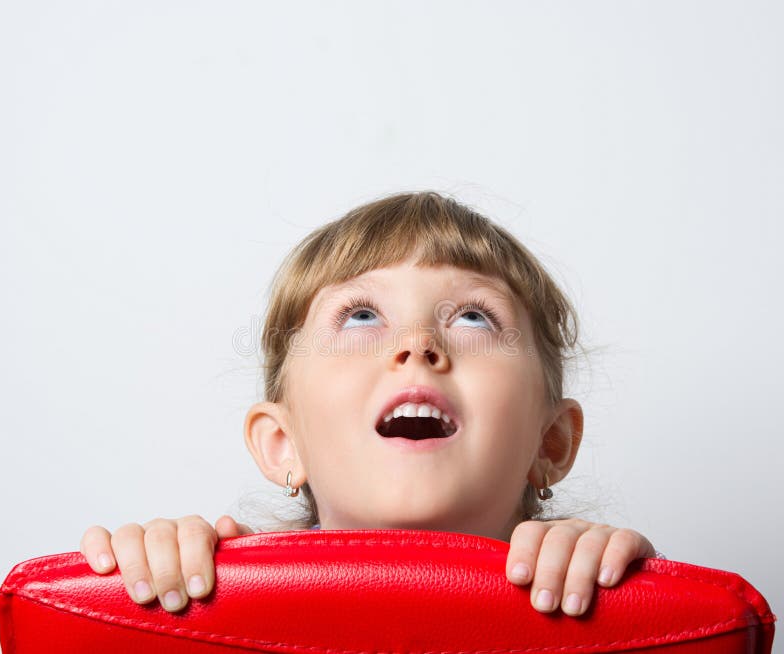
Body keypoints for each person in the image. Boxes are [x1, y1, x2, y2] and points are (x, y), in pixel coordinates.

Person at [79, 190, 660, 619]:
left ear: (551, 442)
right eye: (361, 316)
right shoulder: (204, 605)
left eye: (474, 316)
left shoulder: (610, 602)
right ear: (283, 443)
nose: (417, 344)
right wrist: (143, 604)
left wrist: (642, 606)